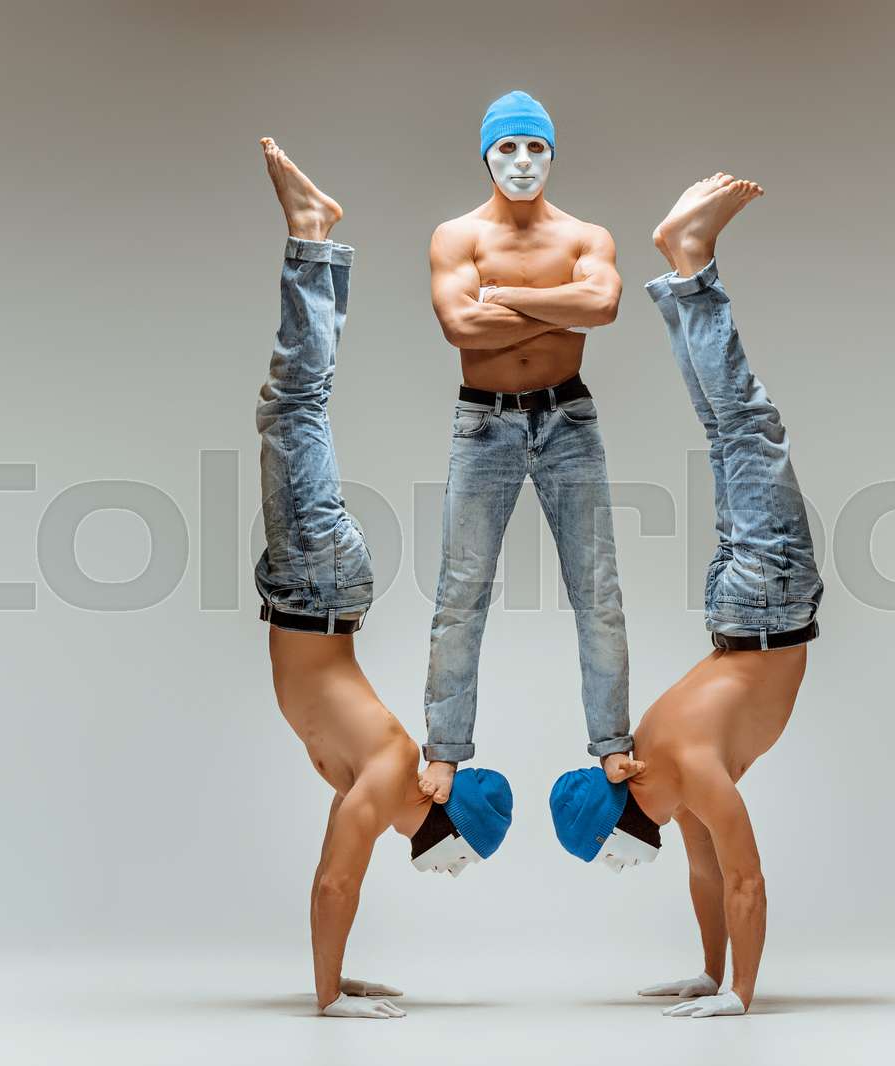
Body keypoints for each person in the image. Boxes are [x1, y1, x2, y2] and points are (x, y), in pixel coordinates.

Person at [547, 173, 824, 1019]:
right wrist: (709, 974)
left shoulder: (690, 769)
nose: (653, 841)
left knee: (745, 423)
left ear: (634, 800)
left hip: (768, 608)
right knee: (731, 428)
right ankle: (684, 269)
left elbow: (746, 877)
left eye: (636, 834)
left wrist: (741, 997)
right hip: (743, 613)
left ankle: (690, 261)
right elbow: (708, 870)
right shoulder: (665, 771)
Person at [255, 137, 514, 1020]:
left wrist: (341, 979)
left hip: (317, 594)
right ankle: (312, 237)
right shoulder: (390, 776)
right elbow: (335, 883)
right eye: (441, 837)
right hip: (315, 590)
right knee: (294, 403)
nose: (431, 847)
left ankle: (318, 242)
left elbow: (339, 886)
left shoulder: (387, 776)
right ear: (436, 799)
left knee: (296, 406)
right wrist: (331, 1004)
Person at [419, 90, 641, 805]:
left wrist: (505, 298)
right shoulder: (456, 236)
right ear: (485, 154)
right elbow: (460, 326)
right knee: (461, 595)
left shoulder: (585, 235)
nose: (521, 161)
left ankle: (613, 743)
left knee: (597, 592)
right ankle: (445, 750)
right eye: (508, 148)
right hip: (483, 426)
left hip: (568, 423)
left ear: (553, 153)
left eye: (535, 147)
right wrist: (553, 307)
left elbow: (603, 305)